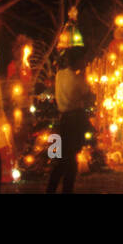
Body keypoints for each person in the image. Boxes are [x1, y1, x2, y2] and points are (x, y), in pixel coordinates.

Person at [46, 47, 93, 193]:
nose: (85, 63)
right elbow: (89, 95)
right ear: (78, 61)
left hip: (64, 120)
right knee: (70, 161)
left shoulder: (60, 75)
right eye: (83, 60)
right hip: (75, 121)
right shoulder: (78, 80)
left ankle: (53, 188)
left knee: (63, 159)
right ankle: (64, 189)